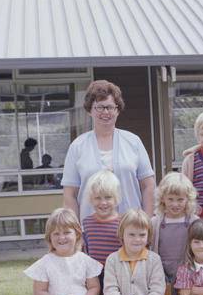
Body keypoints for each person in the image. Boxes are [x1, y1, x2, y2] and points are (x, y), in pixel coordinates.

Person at [62, 79, 155, 222]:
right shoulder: (77, 147)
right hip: (92, 233)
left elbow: (148, 186)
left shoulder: (133, 142)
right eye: (99, 107)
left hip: (132, 230)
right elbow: (70, 194)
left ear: (117, 110)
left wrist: (147, 223)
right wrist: (77, 231)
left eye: (110, 107)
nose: (105, 112)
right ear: (90, 110)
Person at [80, 169, 123, 295]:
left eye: (108, 198)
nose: (103, 203)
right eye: (98, 198)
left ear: (116, 198)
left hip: (118, 276)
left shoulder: (123, 222)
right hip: (97, 277)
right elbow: (86, 253)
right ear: (91, 199)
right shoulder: (87, 223)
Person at [150, 171, 200, 284]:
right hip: (162, 274)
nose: (175, 204)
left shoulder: (194, 221)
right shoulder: (155, 223)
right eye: (170, 199)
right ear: (162, 198)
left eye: (180, 200)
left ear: (188, 199)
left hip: (188, 273)